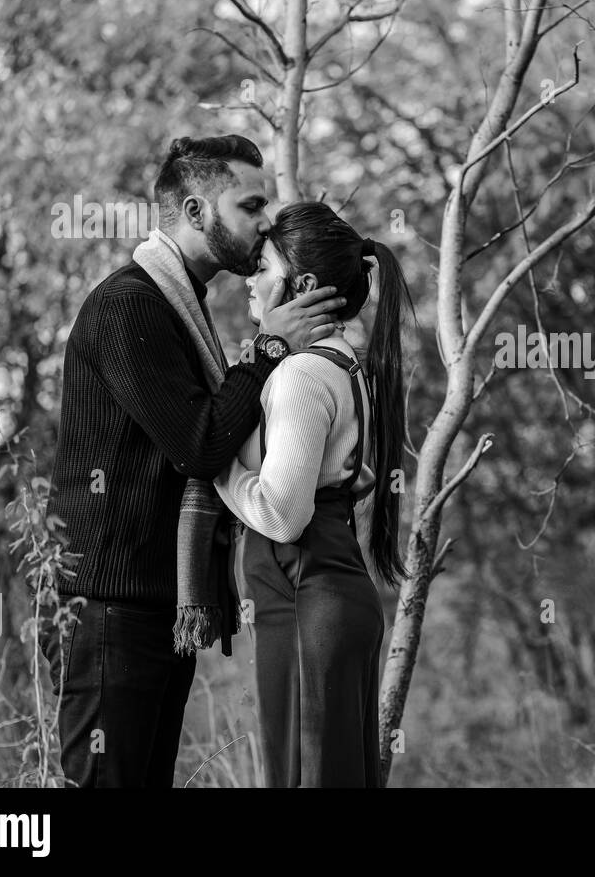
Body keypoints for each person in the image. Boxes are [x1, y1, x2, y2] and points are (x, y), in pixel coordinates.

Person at [41, 135, 347, 787]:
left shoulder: (182, 309)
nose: (266, 220)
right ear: (195, 209)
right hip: (107, 613)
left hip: (148, 612)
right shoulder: (131, 307)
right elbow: (198, 446)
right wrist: (267, 350)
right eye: (250, 204)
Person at [215, 200, 413, 787]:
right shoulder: (344, 365)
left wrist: (214, 466)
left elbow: (281, 514)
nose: (249, 280)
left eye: (263, 268)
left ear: (300, 287)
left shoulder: (303, 376)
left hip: (310, 607)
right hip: (325, 603)